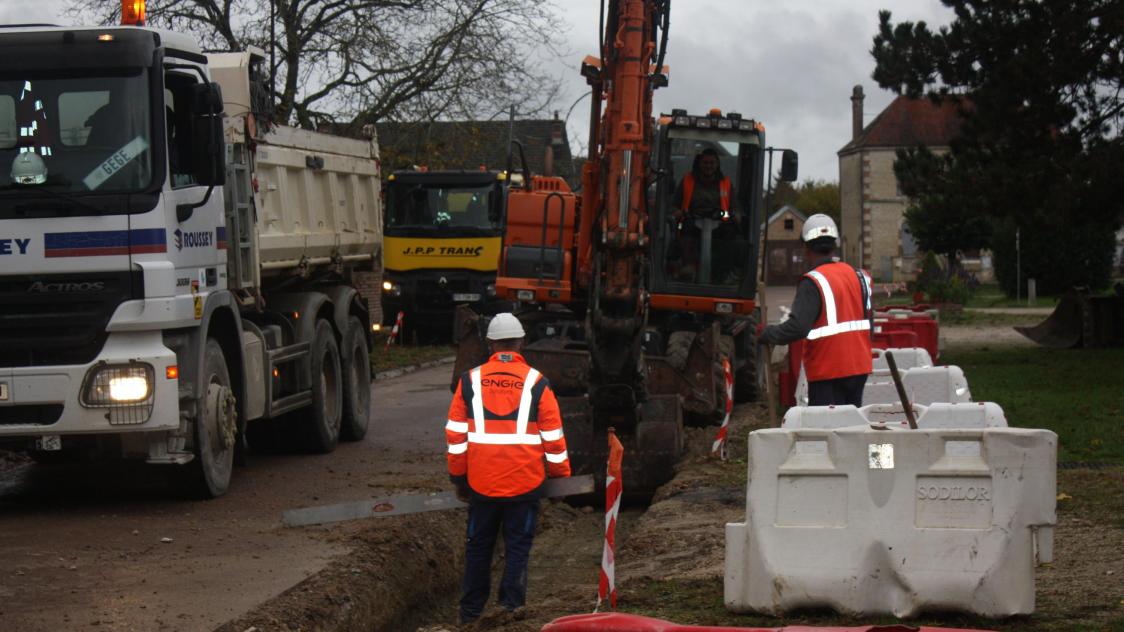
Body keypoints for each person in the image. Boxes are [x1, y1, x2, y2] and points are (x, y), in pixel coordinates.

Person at [445, 313, 571, 625]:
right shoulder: (537, 382)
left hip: (481, 483)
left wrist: (459, 478)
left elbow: (456, 437)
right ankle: (511, 612)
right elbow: (554, 439)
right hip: (524, 484)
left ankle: (470, 614)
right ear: (521, 343)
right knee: (517, 549)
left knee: (478, 549)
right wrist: (560, 481)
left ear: (490, 344)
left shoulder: (469, 381)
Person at [758, 214, 873, 406]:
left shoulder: (813, 281)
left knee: (825, 430)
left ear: (805, 248)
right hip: (859, 367)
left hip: (828, 371)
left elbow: (798, 327)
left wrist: (768, 333)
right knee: (851, 429)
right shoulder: (859, 277)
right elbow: (870, 323)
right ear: (835, 245)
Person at [670, 148, 742, 282]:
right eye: (705, 162)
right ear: (699, 164)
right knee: (684, 230)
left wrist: (736, 216)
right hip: (691, 220)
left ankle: (725, 272)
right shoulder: (687, 181)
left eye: (712, 163)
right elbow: (674, 206)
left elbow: (735, 208)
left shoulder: (725, 183)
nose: (708, 166)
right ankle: (688, 266)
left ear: (717, 164)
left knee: (732, 234)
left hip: (720, 222)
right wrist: (678, 213)